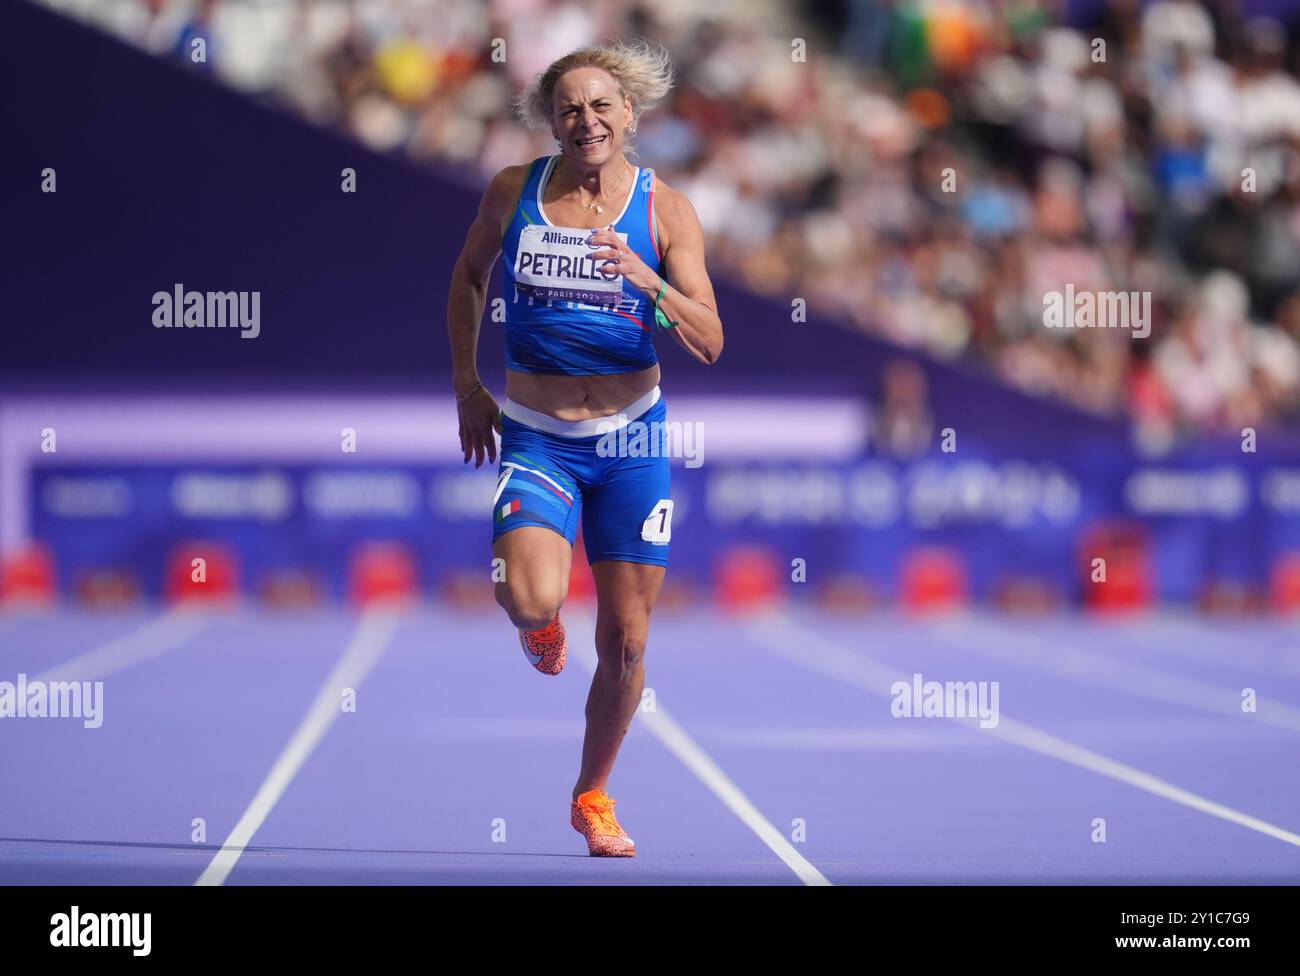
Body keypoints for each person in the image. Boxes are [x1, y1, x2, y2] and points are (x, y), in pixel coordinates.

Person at [447, 40, 723, 856]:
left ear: (629, 115)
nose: (587, 119)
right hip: (539, 437)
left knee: (629, 641)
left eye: (602, 105)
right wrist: (469, 388)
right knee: (530, 598)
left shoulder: (667, 210)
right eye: (570, 107)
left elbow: (709, 339)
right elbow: (468, 279)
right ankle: (539, 629)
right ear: (552, 122)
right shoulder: (514, 191)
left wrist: (651, 283)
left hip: (633, 439)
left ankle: (592, 794)